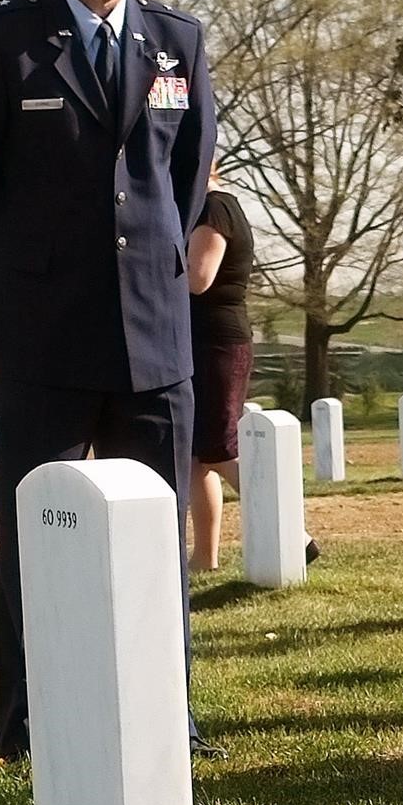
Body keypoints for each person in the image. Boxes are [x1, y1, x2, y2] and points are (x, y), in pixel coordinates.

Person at [0, 0, 214, 761]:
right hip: (45, 332)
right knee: (35, 541)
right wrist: (8, 296)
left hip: (153, 339)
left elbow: (185, 178)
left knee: (154, 541)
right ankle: (25, 725)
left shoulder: (178, 42)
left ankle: (166, 717)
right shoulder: (3, 39)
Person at [184, 163, 255, 573]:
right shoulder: (209, 207)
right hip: (201, 341)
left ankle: (293, 534)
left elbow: (198, 278)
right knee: (198, 455)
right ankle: (204, 558)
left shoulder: (215, 208)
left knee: (219, 445)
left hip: (217, 342)